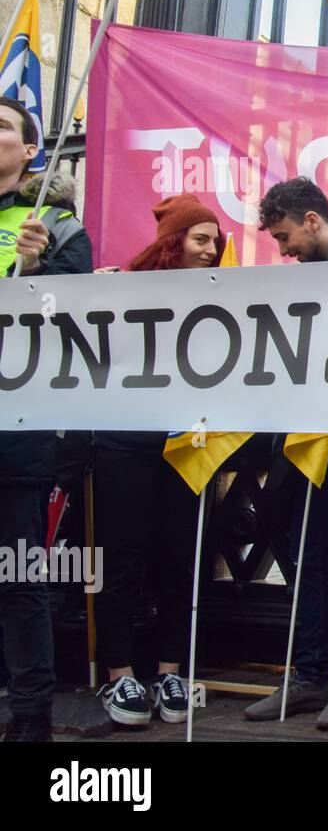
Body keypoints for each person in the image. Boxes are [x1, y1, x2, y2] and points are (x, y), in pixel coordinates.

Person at [241, 178, 328, 730]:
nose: (284, 250)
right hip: (308, 435)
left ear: (313, 220)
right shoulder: (303, 277)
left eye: (285, 236)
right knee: (310, 558)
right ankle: (308, 674)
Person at [89, 195, 228, 727]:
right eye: (201, 239)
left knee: (180, 558)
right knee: (120, 559)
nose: (211, 250)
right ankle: (119, 675)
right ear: (173, 241)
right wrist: (92, 295)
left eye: (215, 241)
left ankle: (171, 671)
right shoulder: (121, 286)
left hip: (186, 444)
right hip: (124, 441)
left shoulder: (221, 297)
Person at [0, 101, 91, 742]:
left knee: (18, 576)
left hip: (14, 430)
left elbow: (77, 316)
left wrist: (35, 270)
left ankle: (31, 718)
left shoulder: (56, 227)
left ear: (31, 150)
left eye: (3, 126)